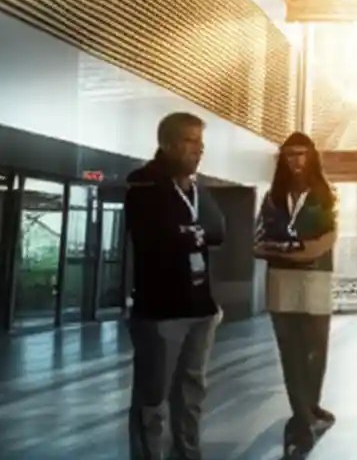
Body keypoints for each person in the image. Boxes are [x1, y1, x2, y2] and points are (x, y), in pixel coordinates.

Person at [125, 112, 226, 460]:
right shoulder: (144, 183)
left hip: (201, 309)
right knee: (153, 397)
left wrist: (189, 232)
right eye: (190, 141)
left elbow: (219, 230)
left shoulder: (196, 189)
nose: (199, 149)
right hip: (160, 311)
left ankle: (188, 454)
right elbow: (157, 235)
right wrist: (191, 232)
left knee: (192, 391)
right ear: (167, 144)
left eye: (200, 142)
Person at [253, 132, 340, 458]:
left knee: (315, 351)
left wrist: (288, 250)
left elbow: (324, 243)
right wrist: (298, 250)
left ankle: (311, 409)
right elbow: (257, 244)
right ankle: (303, 419)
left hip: (316, 281)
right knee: (290, 352)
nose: (296, 161)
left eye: (302, 154)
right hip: (282, 283)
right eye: (290, 155)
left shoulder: (326, 196)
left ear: (312, 157)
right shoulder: (272, 198)